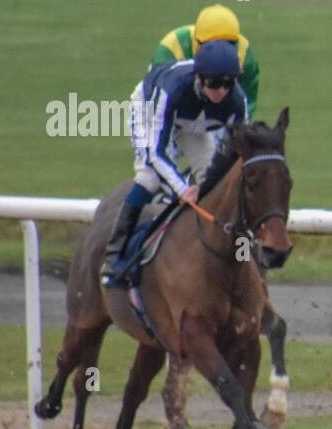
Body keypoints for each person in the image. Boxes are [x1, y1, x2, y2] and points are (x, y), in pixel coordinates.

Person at [101, 40, 248, 287]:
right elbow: (157, 153)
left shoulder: (237, 102)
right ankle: (114, 254)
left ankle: (216, 252)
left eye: (228, 82)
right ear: (200, 78)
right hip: (151, 109)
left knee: (214, 181)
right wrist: (182, 189)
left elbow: (236, 155)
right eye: (214, 83)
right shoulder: (173, 89)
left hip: (195, 123)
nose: (221, 91)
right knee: (150, 178)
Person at [152, 4, 261, 117]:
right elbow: (152, 99)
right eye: (211, 44)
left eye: (229, 43)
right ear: (197, 40)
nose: (220, 50)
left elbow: (246, 107)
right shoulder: (171, 48)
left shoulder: (244, 54)